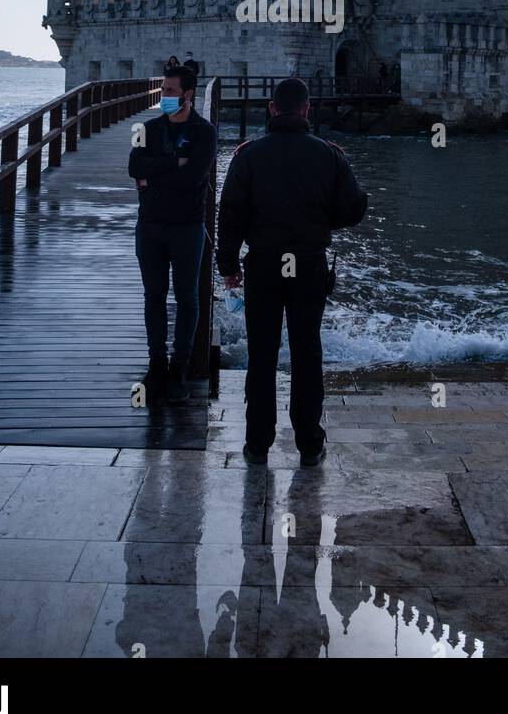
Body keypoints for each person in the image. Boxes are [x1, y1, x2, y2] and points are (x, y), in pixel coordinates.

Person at [216, 76, 367, 466]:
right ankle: (309, 444)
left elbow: (230, 213)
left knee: (262, 355)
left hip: (264, 263)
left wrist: (229, 266)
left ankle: (257, 444)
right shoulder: (328, 154)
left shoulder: (248, 155)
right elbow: (355, 209)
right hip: (308, 264)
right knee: (306, 352)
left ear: (271, 109)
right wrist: (323, 219)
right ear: (306, 110)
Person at [129, 65, 218, 402]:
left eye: (169, 91)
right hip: (150, 225)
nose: (164, 96)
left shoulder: (204, 133)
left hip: (187, 227)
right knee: (153, 297)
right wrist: (173, 163)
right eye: (162, 90)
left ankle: (179, 366)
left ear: (188, 95)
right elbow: (133, 167)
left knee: (186, 299)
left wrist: (153, 176)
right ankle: (156, 364)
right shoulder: (144, 128)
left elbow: (194, 178)